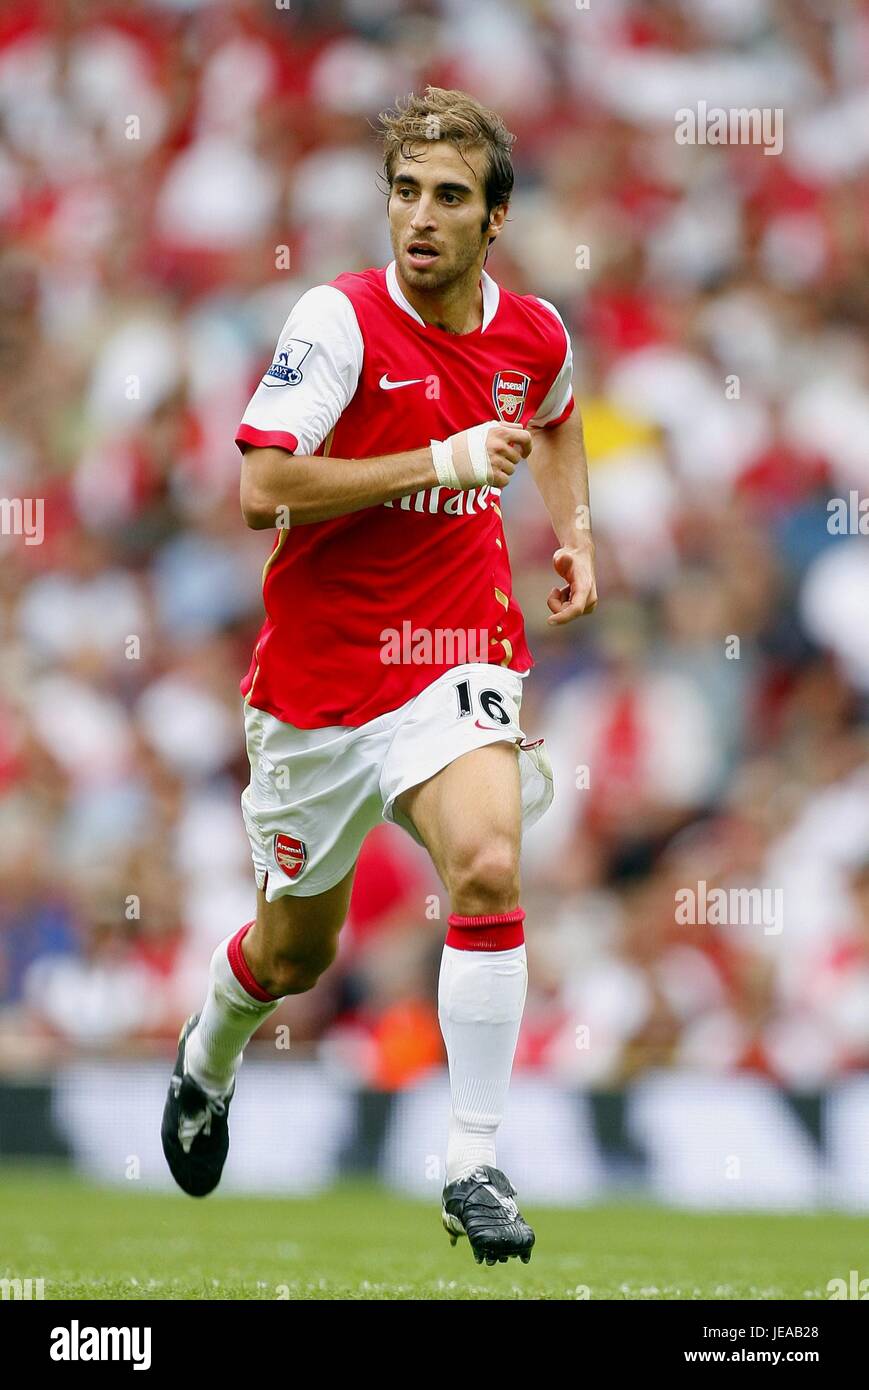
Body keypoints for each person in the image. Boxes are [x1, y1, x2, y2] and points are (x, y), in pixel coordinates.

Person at [162, 86, 597, 1266]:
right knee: (293, 956)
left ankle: (470, 1155)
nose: (420, 216)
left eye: (449, 197)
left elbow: (555, 417)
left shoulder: (533, 333)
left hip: (457, 658)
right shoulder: (339, 319)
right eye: (404, 192)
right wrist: (439, 458)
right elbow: (261, 491)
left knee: (489, 859)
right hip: (315, 696)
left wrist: (574, 536)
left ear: (492, 218)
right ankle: (209, 1053)